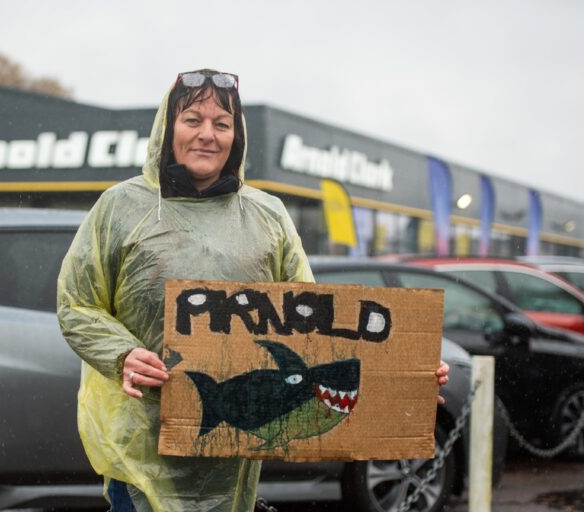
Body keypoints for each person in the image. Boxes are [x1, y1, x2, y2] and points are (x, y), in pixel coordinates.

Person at [57, 69, 449, 512]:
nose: (207, 135)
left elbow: (316, 327)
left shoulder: (268, 216)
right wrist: (122, 353)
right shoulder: (120, 207)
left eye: (222, 124)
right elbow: (77, 303)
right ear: (168, 129)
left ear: (236, 136)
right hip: (139, 451)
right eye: (192, 119)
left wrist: (401, 374)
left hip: (234, 455)